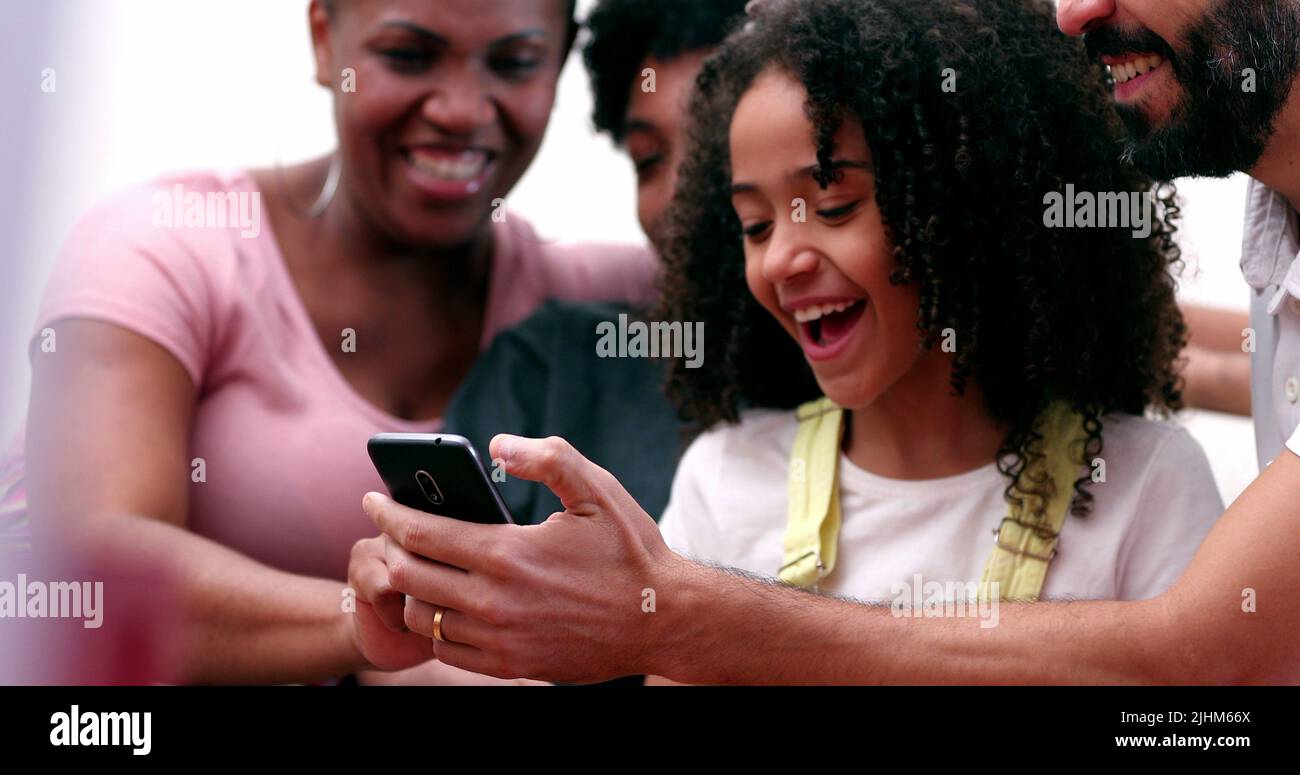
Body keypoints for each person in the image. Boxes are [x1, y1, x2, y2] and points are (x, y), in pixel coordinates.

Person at [349, 0, 1300, 685]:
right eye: (754, 226)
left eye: (834, 204)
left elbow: (1201, 672)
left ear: (971, 207)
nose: (783, 260)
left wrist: (676, 616)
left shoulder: (1146, 480)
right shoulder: (726, 477)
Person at [11, 0, 658, 684]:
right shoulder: (164, 246)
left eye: (515, 63)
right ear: (325, 39)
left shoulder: (599, 304)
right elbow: (93, 570)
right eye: (409, 55)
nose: (463, 108)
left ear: (558, 65)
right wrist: (368, 621)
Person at [353, 0, 752, 686]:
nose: (684, 193)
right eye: (649, 158)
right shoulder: (552, 364)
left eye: (721, 151)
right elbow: (400, 647)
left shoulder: (888, 396)